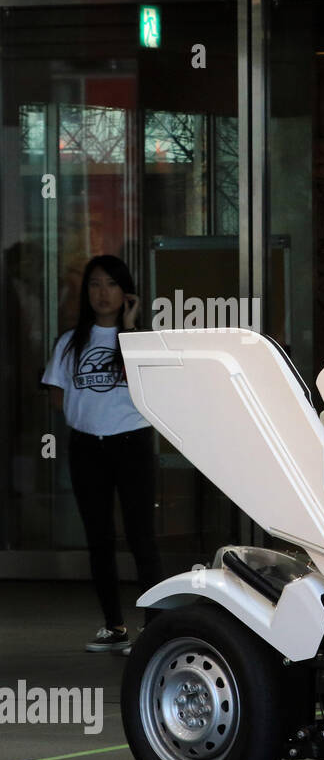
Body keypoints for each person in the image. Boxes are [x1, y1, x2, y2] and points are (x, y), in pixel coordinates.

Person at [42, 255, 163, 654]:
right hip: (86, 447)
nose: (102, 293)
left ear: (126, 292)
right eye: (94, 284)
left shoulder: (138, 341)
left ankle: (156, 628)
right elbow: (59, 399)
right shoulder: (69, 342)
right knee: (99, 538)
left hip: (132, 444)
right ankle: (114, 626)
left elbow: (149, 392)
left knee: (141, 536)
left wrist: (128, 330)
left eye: (111, 284)